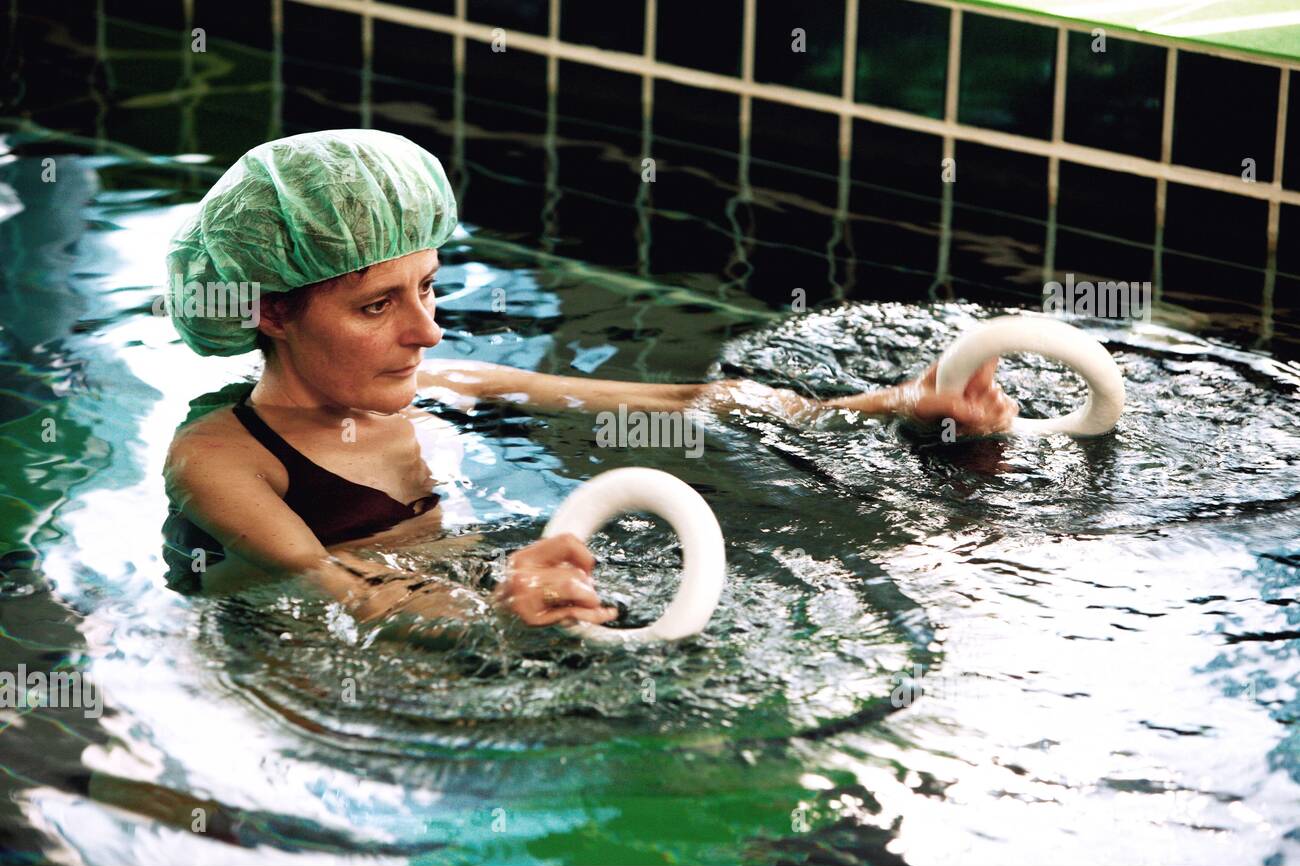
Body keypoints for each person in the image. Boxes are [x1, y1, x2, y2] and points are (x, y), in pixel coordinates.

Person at [162, 130, 1017, 634]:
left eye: (427, 288)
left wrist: (898, 405)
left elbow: (687, 406)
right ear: (270, 313)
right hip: (313, 681)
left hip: (475, 605)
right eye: (377, 305)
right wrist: (498, 611)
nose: (426, 330)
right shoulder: (222, 459)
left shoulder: (448, 385)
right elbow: (339, 588)